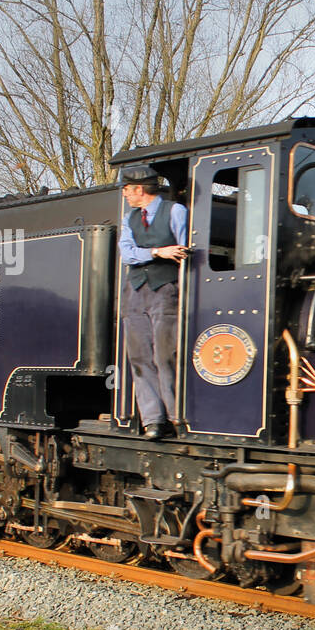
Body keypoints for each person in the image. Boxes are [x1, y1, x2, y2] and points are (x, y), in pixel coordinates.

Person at [119, 164, 188, 439]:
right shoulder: (130, 218)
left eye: (126, 189)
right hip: (135, 289)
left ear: (139, 189)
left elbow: (182, 250)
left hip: (166, 289)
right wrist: (158, 251)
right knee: (139, 357)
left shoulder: (175, 211)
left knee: (165, 354)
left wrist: (150, 254)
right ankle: (153, 420)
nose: (125, 194)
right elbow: (127, 253)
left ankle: (176, 417)